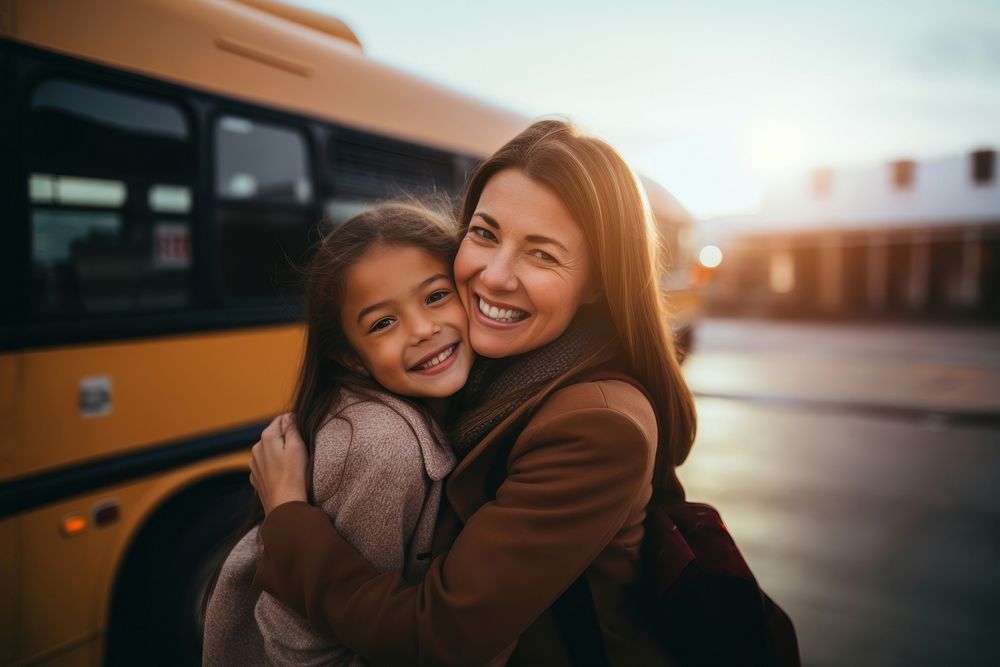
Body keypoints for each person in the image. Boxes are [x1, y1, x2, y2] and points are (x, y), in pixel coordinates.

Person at [249, 119, 698, 665]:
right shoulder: (493, 363)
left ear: (599, 282)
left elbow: (437, 635)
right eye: (484, 234)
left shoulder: (598, 427)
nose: (494, 275)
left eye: (542, 254)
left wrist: (289, 517)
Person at [202, 202, 474, 666]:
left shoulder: (424, 411)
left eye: (435, 296)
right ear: (350, 358)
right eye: (383, 323)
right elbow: (310, 648)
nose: (424, 329)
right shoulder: (379, 448)